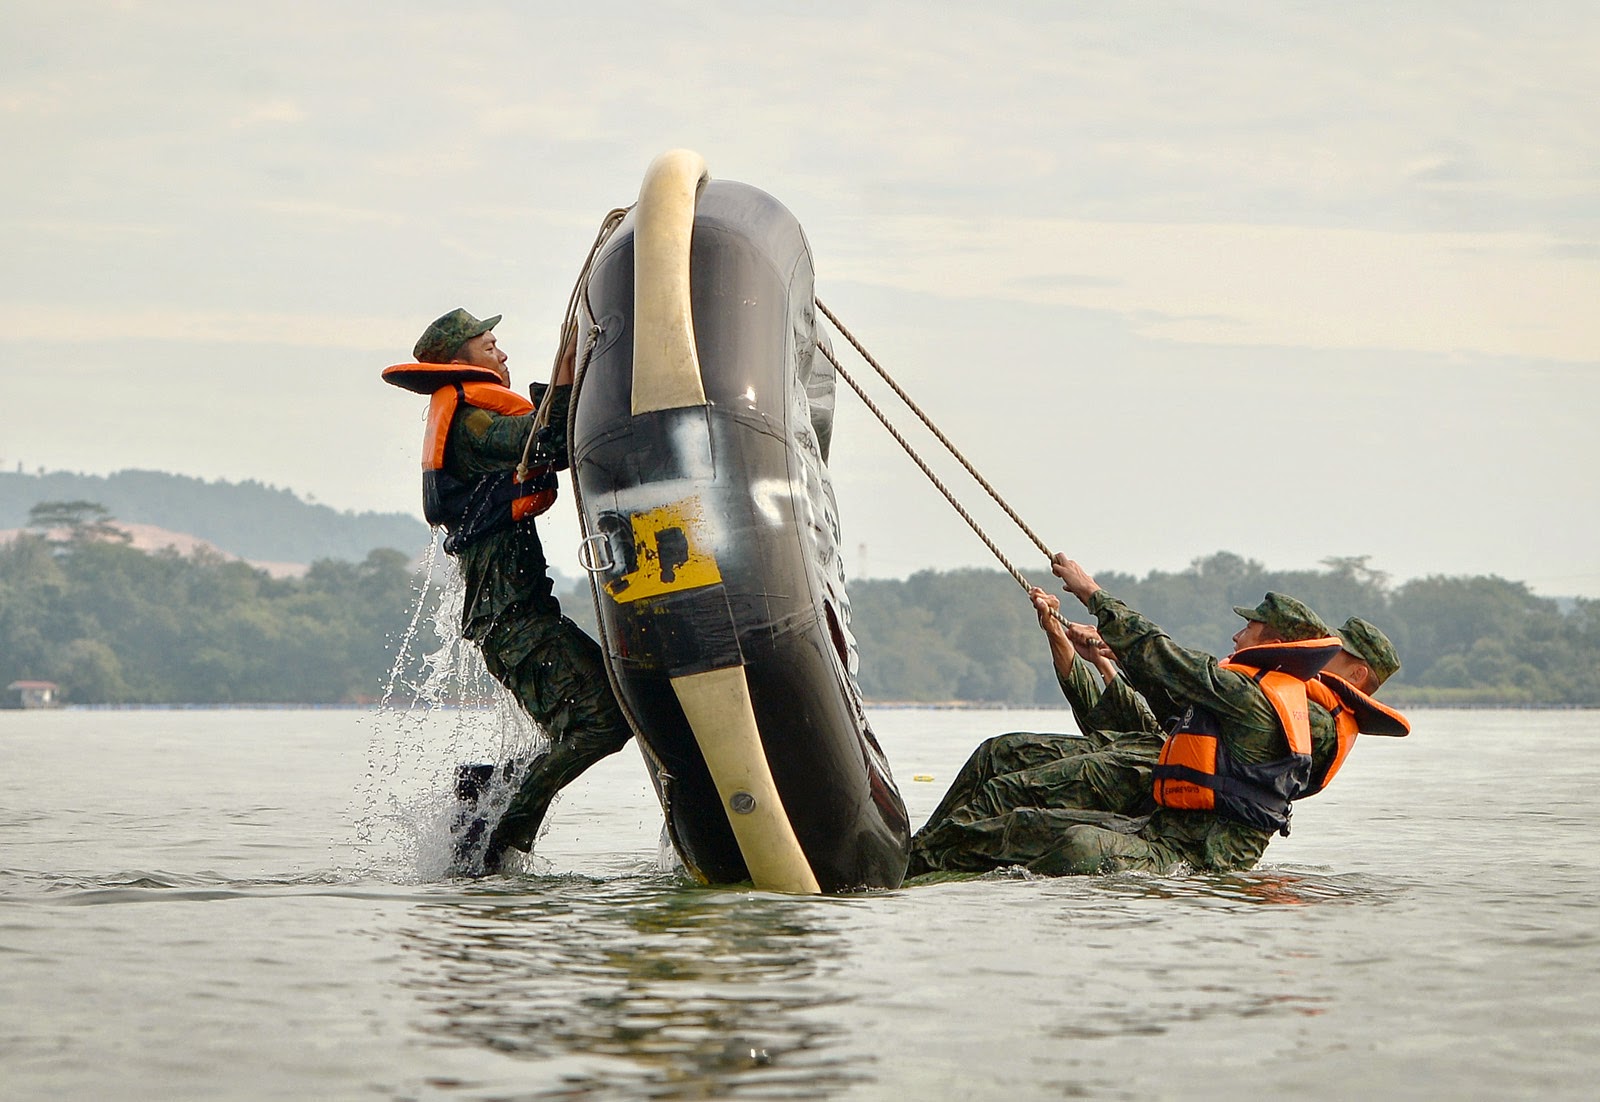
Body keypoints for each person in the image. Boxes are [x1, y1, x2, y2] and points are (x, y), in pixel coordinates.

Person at [384, 308, 633, 873]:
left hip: (518, 618)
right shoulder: (472, 421)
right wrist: (568, 367)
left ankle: (485, 795)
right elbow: (545, 441)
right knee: (601, 723)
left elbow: (551, 445)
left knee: (609, 711)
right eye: (490, 345)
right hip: (511, 623)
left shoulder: (471, 414)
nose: (501, 354)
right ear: (461, 360)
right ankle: (495, 843)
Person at [910, 561, 1349, 877]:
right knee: (1019, 815)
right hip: (1156, 831)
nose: (1237, 635)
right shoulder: (1244, 698)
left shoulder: (1250, 700)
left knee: (1076, 845)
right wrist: (1108, 654)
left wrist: (1092, 593)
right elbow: (1165, 697)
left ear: (1271, 639)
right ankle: (915, 860)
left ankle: (915, 870)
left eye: (1249, 627)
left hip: (1192, 859)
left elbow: (1167, 660)